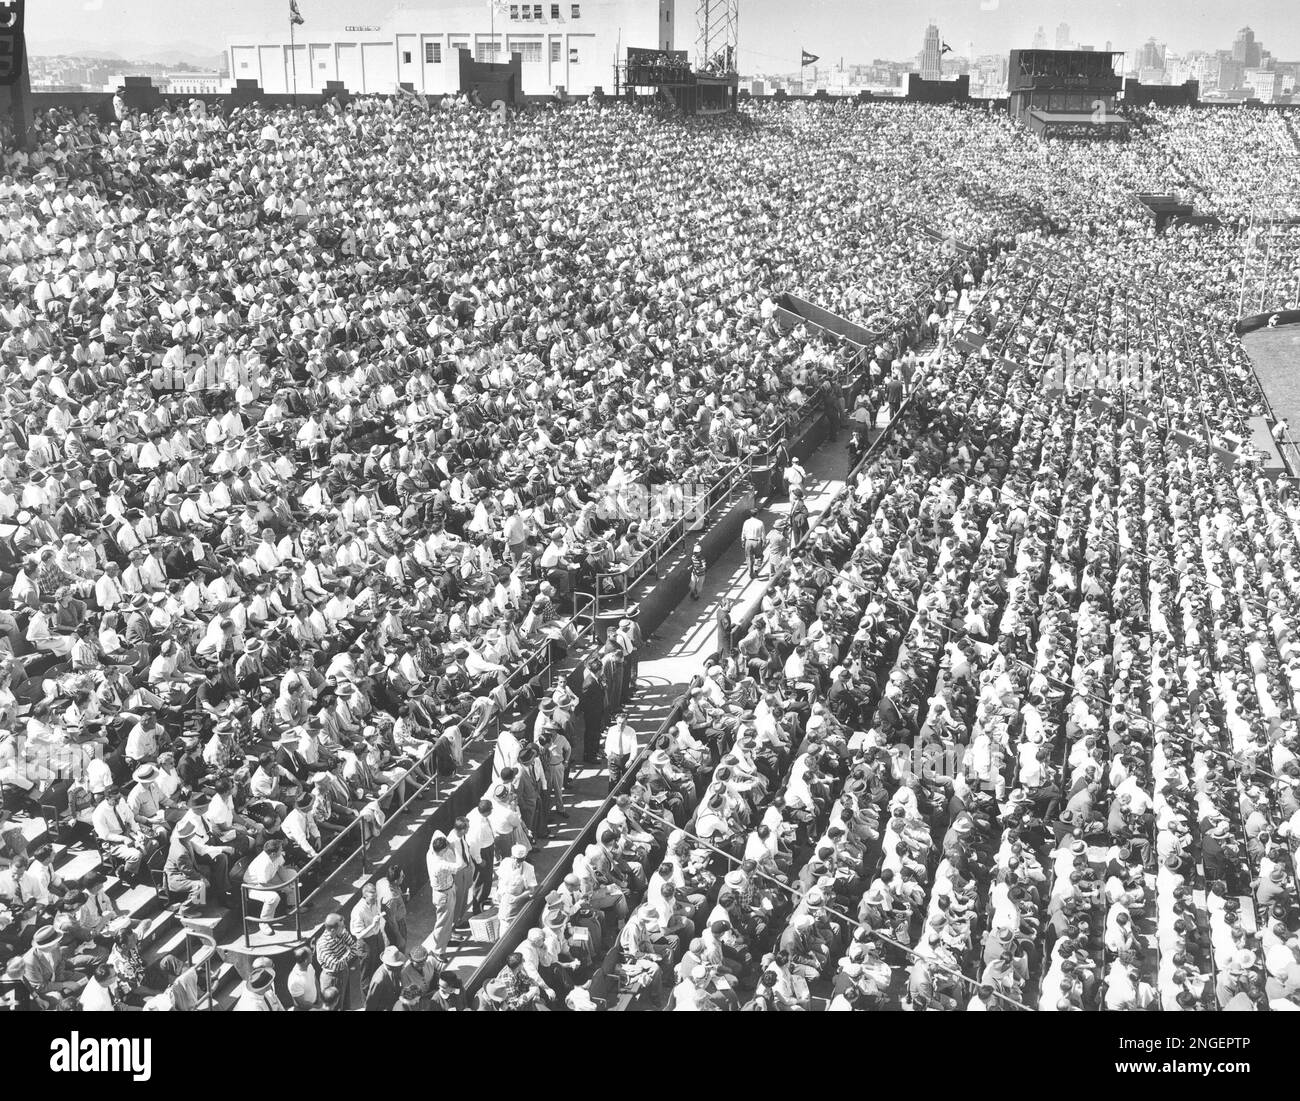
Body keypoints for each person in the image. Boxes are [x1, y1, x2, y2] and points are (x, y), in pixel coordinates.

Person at [742, 510, 766, 579]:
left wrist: (743, 541)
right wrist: (764, 541)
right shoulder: (760, 522)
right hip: (756, 541)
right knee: (759, 557)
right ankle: (756, 570)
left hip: (748, 541)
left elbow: (743, 532)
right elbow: (763, 534)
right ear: (757, 514)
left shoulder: (746, 522)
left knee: (749, 557)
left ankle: (750, 571)